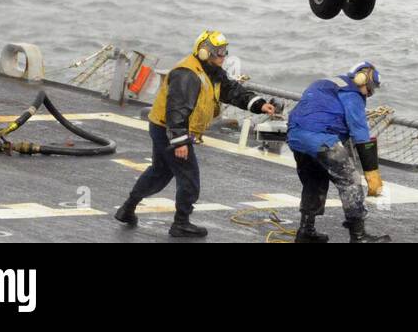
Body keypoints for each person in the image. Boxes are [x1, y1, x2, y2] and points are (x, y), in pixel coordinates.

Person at [114, 30, 277, 238]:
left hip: (165, 128)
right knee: (189, 177)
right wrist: (180, 142)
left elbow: (232, 91)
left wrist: (260, 105)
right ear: (203, 52)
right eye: (218, 53)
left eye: (224, 52)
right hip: (170, 129)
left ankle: (127, 209)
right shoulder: (187, 74)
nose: (223, 57)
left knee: (159, 173)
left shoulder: (212, 71)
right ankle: (180, 223)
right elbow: (177, 109)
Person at [287, 61, 391, 243]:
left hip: (296, 136)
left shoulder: (323, 83)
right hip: (320, 139)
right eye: (371, 87)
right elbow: (360, 135)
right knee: (350, 181)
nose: (370, 92)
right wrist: (372, 173)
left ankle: (305, 231)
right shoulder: (352, 94)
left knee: (314, 180)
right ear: (362, 79)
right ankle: (358, 236)